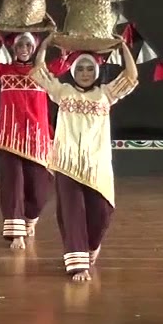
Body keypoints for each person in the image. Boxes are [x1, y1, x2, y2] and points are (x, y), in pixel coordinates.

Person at [31, 39, 137, 282]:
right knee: (72, 212)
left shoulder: (106, 94)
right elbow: (39, 71)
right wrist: (45, 44)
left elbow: (131, 76)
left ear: (97, 71)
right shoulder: (63, 92)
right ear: (72, 71)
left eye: (90, 68)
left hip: (97, 164)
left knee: (102, 212)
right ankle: (78, 265)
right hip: (66, 162)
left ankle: (91, 245)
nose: (85, 73)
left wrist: (123, 46)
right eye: (79, 68)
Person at [0, 30, 64, 249]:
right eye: (20, 45)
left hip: (38, 139)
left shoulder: (43, 72)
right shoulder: (4, 72)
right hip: (10, 138)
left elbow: (65, 61)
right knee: (12, 186)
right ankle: (16, 234)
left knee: (39, 190)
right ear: (13, 48)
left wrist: (53, 38)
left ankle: (30, 219)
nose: (24, 49)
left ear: (34, 48)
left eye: (28, 45)